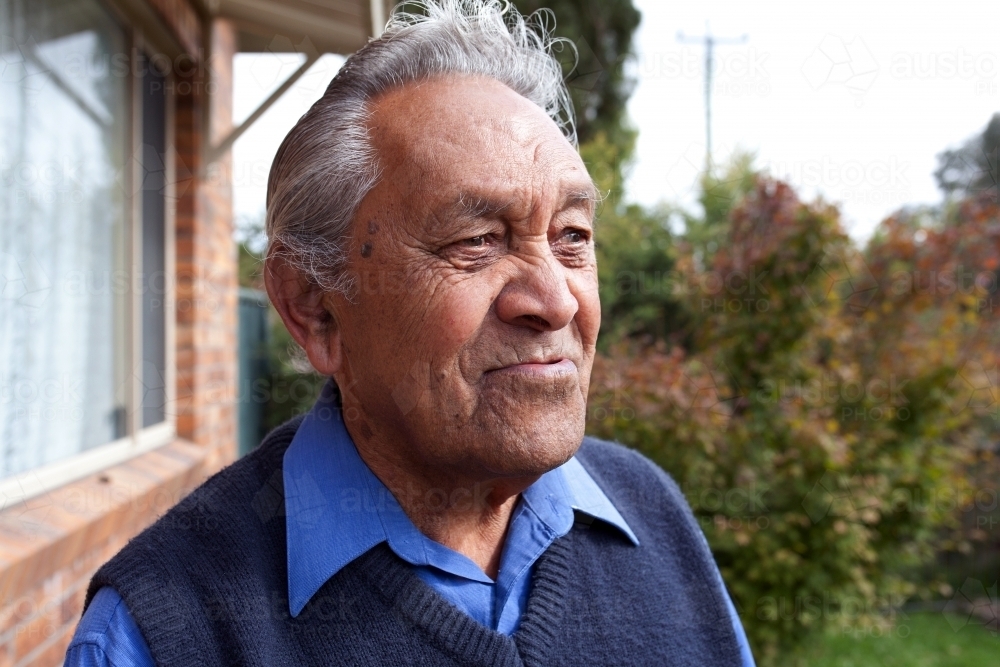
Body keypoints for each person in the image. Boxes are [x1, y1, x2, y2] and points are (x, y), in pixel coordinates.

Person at [65, 1, 755, 664]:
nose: (554, 299)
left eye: (572, 236)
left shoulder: (652, 512)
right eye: (477, 241)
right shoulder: (165, 630)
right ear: (316, 308)